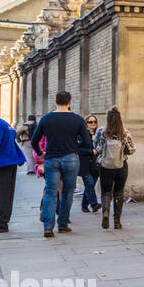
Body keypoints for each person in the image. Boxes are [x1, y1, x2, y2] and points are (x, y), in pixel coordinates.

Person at [29, 92, 89, 238]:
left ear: (55, 101)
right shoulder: (78, 119)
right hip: (71, 158)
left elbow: (34, 141)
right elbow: (87, 142)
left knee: (51, 191)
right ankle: (63, 224)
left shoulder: (46, 119)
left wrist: (40, 152)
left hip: (51, 158)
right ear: (69, 102)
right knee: (68, 192)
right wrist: (75, 146)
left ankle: (48, 227)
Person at [94, 106, 136, 230]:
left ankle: (105, 213)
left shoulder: (101, 131)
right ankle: (117, 221)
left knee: (106, 191)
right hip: (121, 166)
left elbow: (97, 148)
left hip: (105, 166)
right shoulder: (125, 132)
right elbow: (131, 150)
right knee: (118, 192)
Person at [0, 107, 26, 234]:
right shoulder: (2, 123)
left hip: (2, 164)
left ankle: (1, 223)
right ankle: (2, 222)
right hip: (7, 162)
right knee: (5, 194)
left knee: (2, 195)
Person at [78, 113, 101, 213]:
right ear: (86, 124)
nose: (93, 124)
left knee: (89, 186)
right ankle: (94, 204)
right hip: (85, 164)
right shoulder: (82, 135)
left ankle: (84, 205)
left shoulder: (99, 134)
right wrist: (90, 151)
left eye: (94, 122)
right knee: (90, 183)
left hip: (96, 164)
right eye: (90, 122)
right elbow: (77, 149)